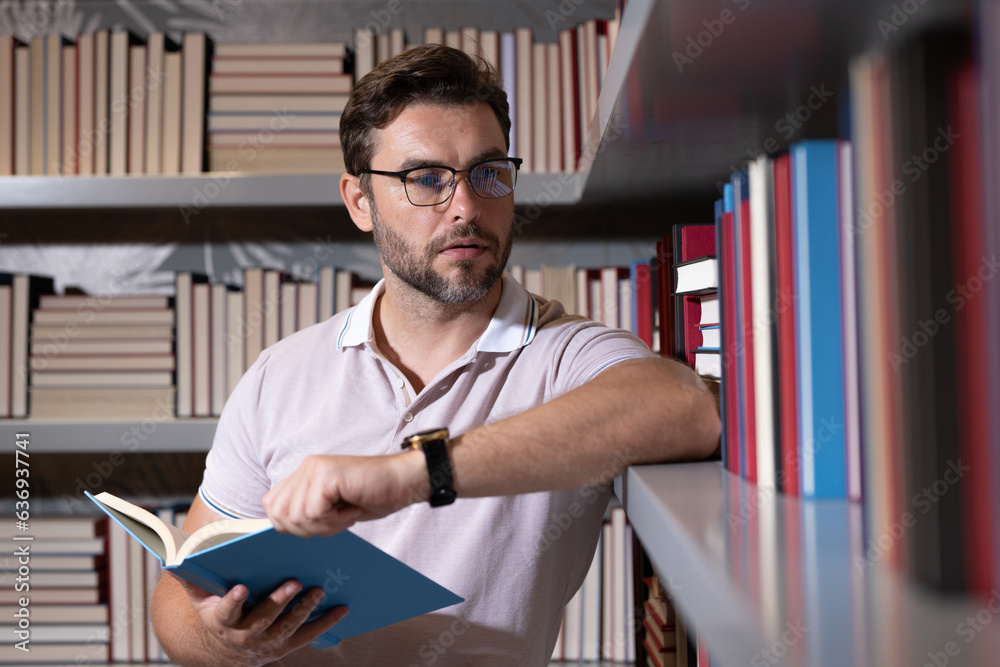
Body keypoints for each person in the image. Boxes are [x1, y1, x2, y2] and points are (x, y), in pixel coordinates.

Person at [150, 44, 720, 666]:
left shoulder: (567, 356)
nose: (467, 207)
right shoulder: (277, 374)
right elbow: (180, 599)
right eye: (425, 178)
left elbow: (689, 409)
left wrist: (414, 475)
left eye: (488, 172)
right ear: (360, 201)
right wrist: (220, 638)